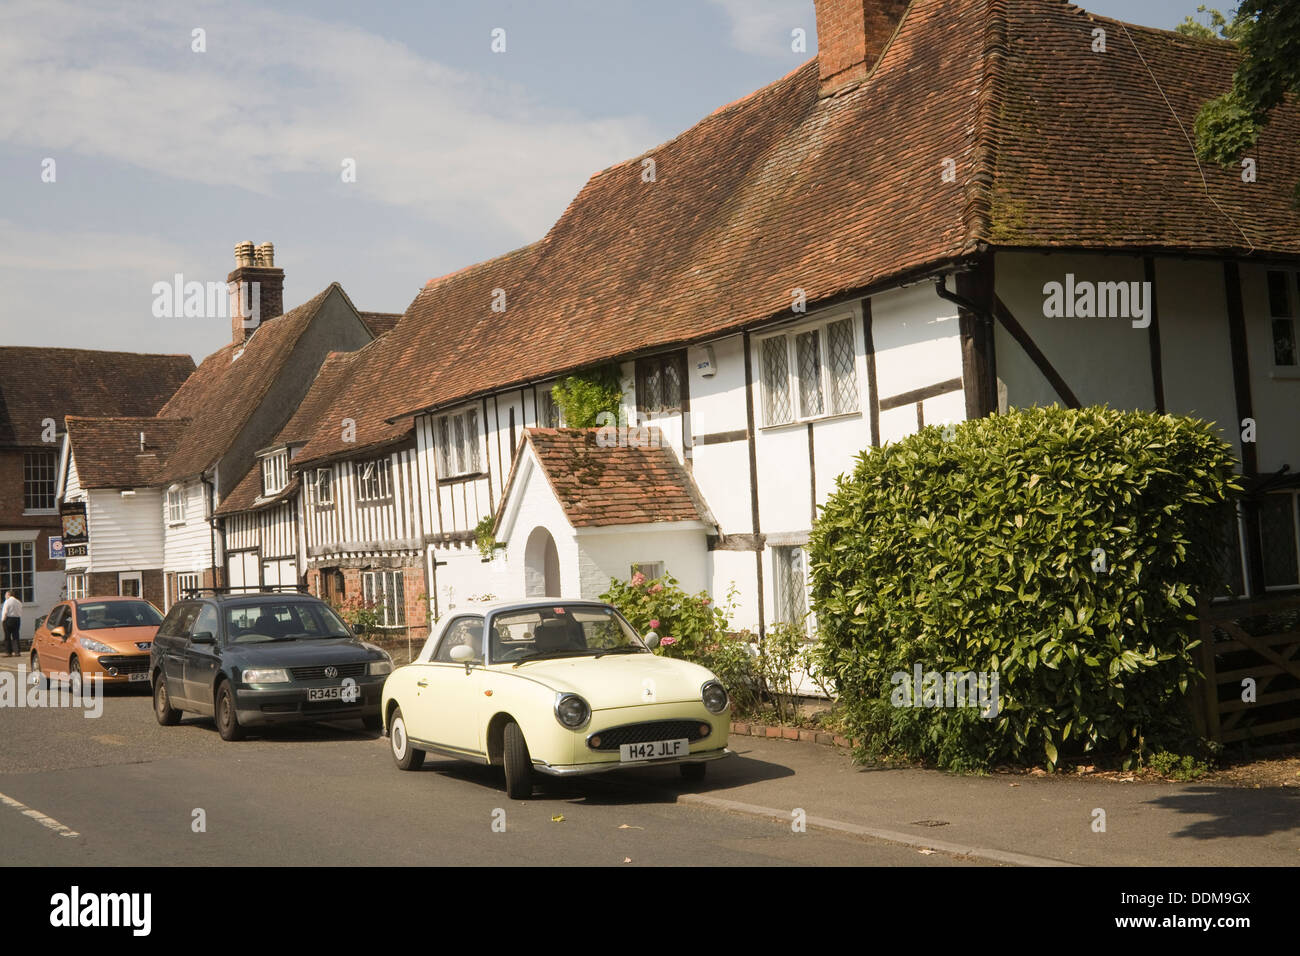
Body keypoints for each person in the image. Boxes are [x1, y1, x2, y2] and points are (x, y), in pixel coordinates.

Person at [1, 590, 21, 657]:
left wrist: (3, 620)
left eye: (6, 595)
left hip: (8, 619)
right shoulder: (18, 602)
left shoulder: (7, 601)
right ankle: (17, 652)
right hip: (17, 619)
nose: (5, 596)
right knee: (16, 635)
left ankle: (8, 652)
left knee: (7, 636)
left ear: (9, 595)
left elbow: (5, 612)